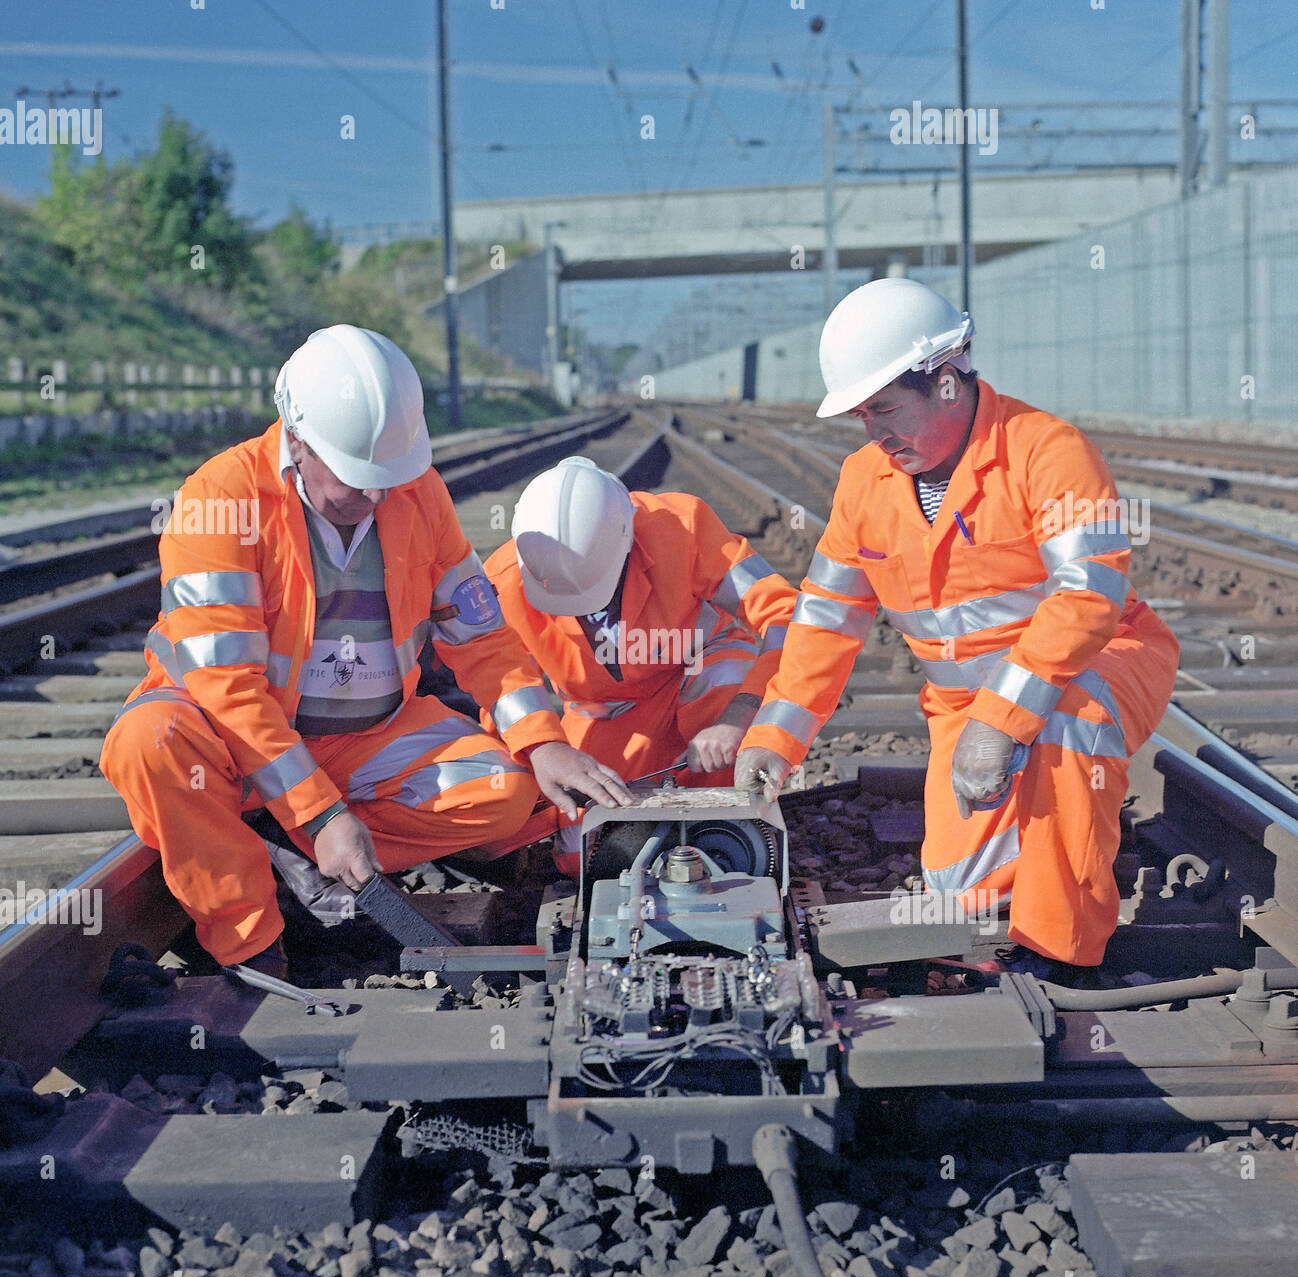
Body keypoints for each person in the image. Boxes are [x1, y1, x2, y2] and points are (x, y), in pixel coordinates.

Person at [101, 325, 629, 979]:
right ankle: (253, 944)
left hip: (359, 741)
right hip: (230, 746)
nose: (377, 497)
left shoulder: (416, 493)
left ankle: (286, 849)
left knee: (503, 792)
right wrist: (321, 814)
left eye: (389, 478)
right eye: (358, 479)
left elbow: (482, 636)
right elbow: (227, 687)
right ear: (297, 439)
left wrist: (541, 739)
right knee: (148, 741)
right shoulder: (220, 503)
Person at [735, 279, 1179, 984]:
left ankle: (1063, 957)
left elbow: (1089, 594)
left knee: (1070, 722)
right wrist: (774, 739)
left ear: (946, 380)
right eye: (861, 415)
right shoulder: (864, 481)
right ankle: (1033, 874)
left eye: (885, 408)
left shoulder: (1047, 451)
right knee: (959, 890)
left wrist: (1001, 720)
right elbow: (826, 619)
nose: (875, 432)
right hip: (963, 708)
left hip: (1094, 666)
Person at [482, 456, 799, 874]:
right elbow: (498, 681)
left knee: (726, 686)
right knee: (584, 855)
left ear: (627, 539)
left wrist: (744, 712)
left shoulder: (682, 527)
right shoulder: (502, 578)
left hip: (699, 671)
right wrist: (543, 748)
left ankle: (738, 811)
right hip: (606, 709)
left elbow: (789, 616)